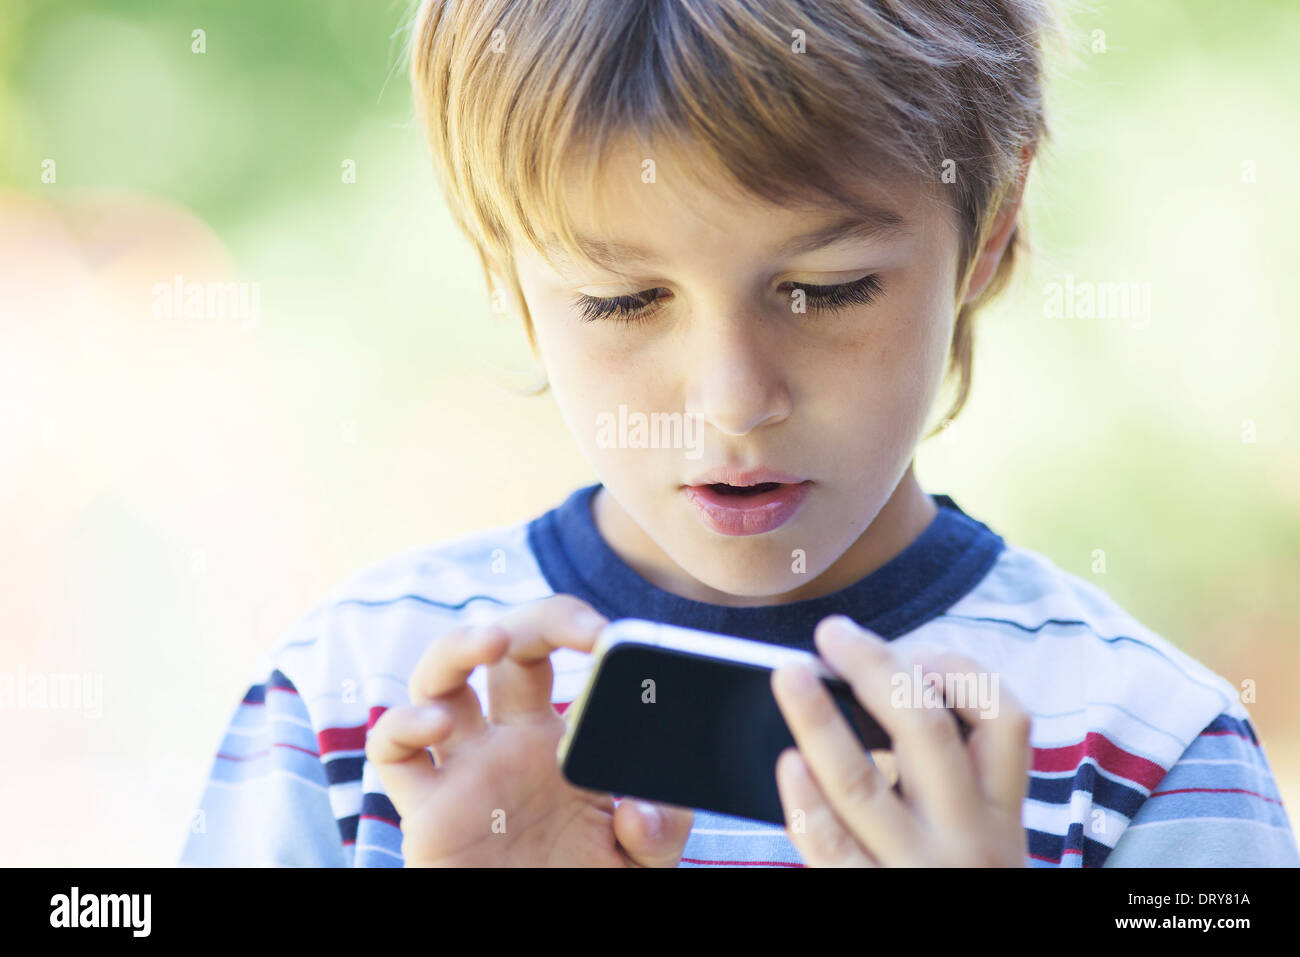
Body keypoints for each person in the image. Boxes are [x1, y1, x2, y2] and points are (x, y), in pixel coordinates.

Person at [179, 0, 1299, 867]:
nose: (731, 399)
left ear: (988, 238)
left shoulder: (1148, 753)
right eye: (621, 302)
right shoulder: (354, 707)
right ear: (508, 281)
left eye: (828, 287)